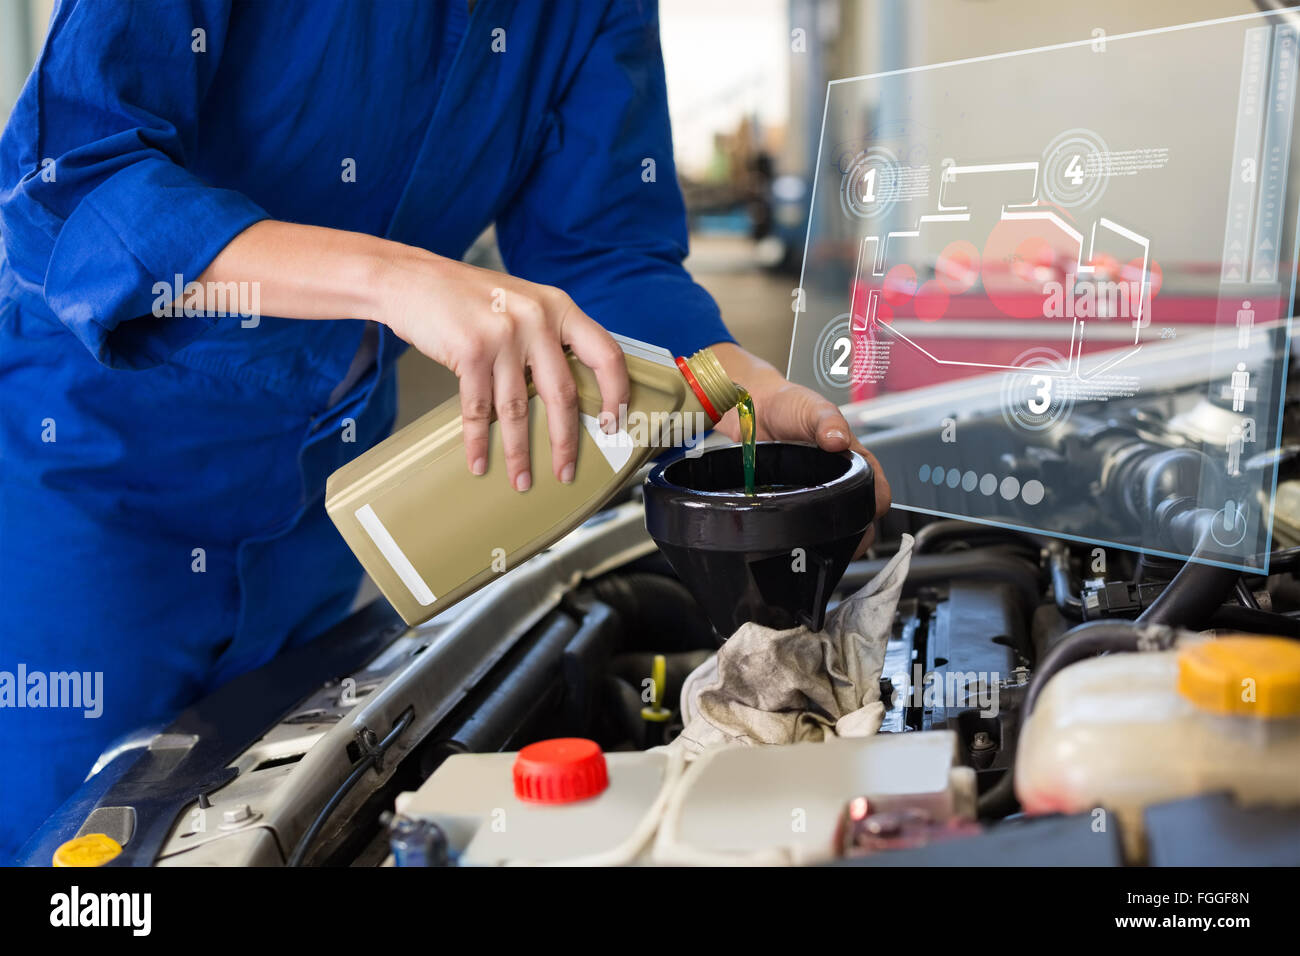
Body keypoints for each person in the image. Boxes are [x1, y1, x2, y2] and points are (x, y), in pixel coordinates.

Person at [0, 0, 890, 860]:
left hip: (327, 499)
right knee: (82, 858)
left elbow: (602, 253)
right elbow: (70, 183)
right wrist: (395, 280)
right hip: (87, 486)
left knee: (264, 827)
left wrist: (738, 381)